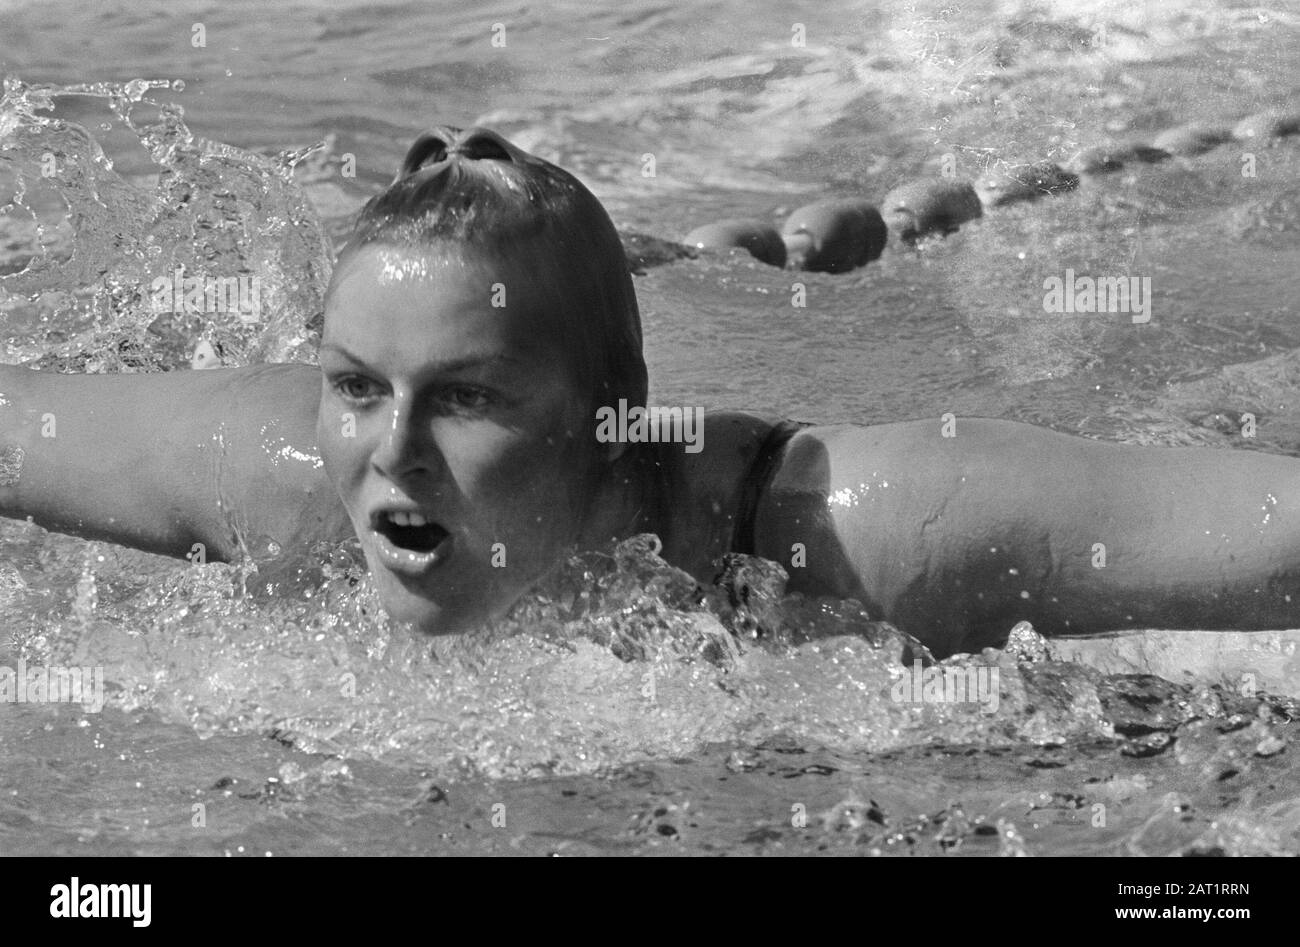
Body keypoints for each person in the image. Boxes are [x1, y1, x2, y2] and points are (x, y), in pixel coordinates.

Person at [3, 126, 1299, 658]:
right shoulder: (293, 472)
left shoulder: (845, 531)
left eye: (468, 399)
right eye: (354, 383)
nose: (389, 451)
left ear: (608, 409)